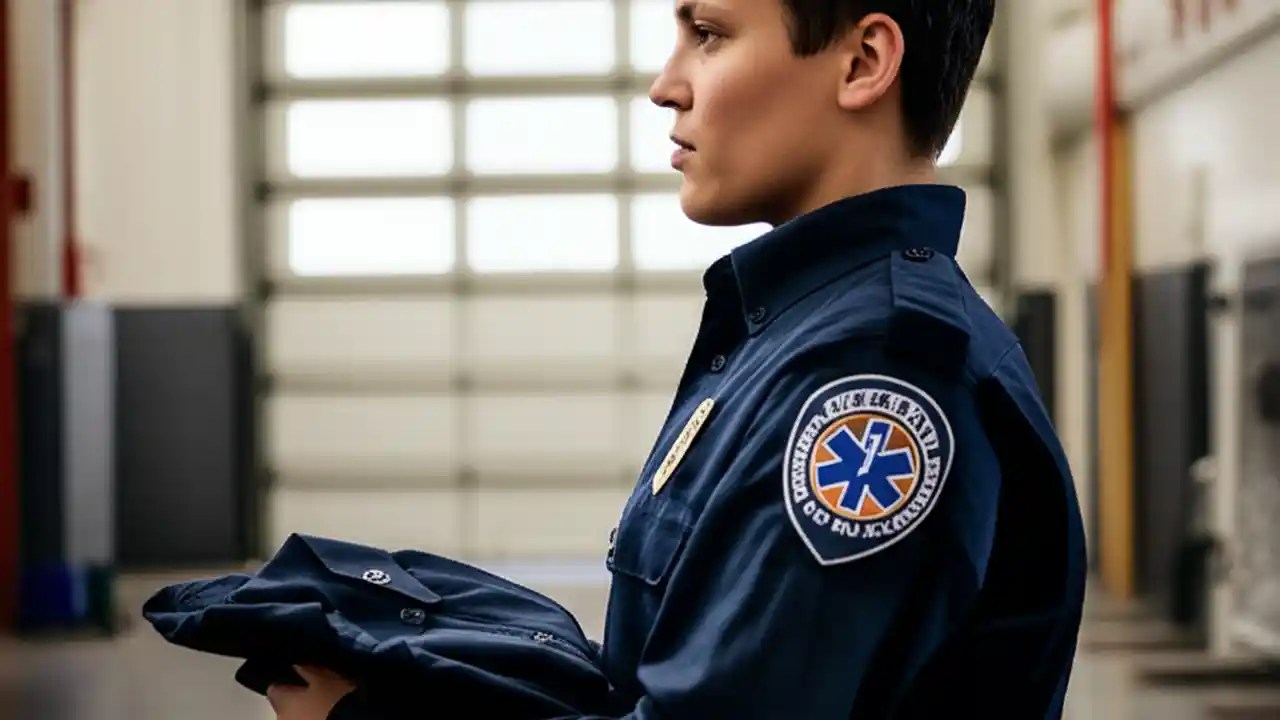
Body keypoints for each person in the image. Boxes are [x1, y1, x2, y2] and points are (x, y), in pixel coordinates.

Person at [268, 0, 1087, 717]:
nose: (666, 84)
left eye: (708, 33)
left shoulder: (876, 377)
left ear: (863, 62)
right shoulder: (793, 333)